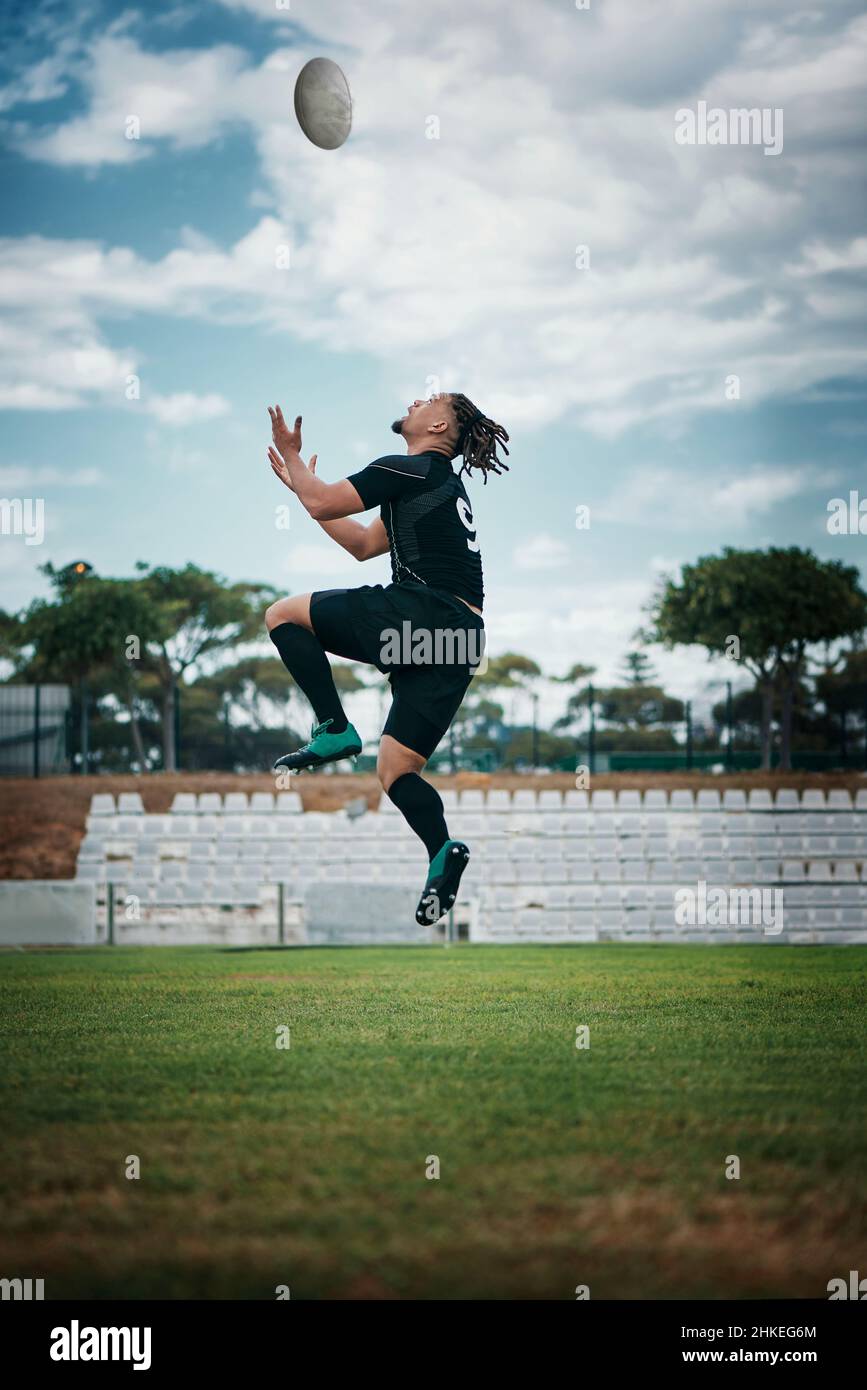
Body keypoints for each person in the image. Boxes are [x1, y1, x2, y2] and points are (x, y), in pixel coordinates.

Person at [264, 393, 509, 924]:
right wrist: (307, 492)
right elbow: (359, 542)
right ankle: (443, 851)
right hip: (457, 642)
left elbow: (327, 501)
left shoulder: (408, 467)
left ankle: (333, 727)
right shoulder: (431, 483)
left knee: (282, 615)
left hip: (426, 614)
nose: (417, 400)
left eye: (429, 400)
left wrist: (297, 467)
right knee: (395, 768)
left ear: (439, 424)